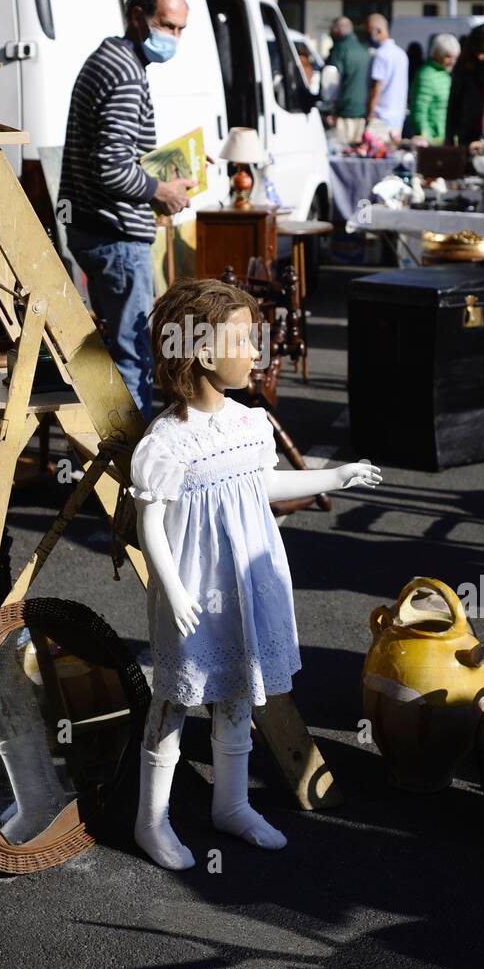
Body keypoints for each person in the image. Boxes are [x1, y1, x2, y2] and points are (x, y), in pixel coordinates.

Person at [129, 277, 382, 870]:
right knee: (173, 699)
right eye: (241, 339)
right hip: (194, 588)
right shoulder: (166, 443)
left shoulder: (249, 424)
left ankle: (232, 803)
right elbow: (151, 524)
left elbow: (267, 486)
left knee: (241, 692)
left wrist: (333, 475)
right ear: (198, 350)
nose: (255, 353)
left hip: (249, 585)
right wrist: (171, 586)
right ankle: (151, 820)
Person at [56, 0, 195, 418]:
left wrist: (180, 162)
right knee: (132, 355)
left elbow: (118, 153)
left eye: (180, 28)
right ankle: (126, 469)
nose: (173, 37)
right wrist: (162, 191)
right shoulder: (125, 73)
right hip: (115, 236)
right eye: (166, 25)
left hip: (98, 230)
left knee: (118, 351)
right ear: (136, 15)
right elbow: (111, 167)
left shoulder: (112, 60)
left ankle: (111, 461)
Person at [408, 33, 460, 142]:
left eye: (455, 57)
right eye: (448, 56)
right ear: (436, 53)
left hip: (445, 138)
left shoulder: (445, 74)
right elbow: (419, 110)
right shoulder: (426, 75)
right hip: (433, 140)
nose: (452, 62)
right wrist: (426, 137)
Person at [366, 13, 409, 138]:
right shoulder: (401, 54)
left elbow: (376, 89)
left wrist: (369, 115)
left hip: (380, 119)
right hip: (397, 119)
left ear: (378, 30)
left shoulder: (381, 55)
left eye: (369, 31)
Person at [327, 16, 369, 143]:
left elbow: (331, 82)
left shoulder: (339, 49)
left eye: (331, 30)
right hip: (362, 112)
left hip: (344, 111)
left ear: (337, 31)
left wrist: (330, 110)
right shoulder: (364, 49)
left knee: (341, 154)